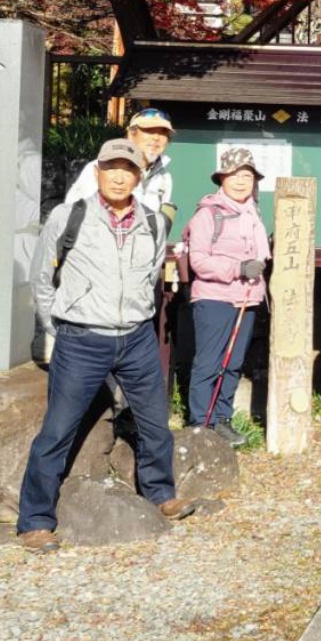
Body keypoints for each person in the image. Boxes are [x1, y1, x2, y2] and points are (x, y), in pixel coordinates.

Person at [17, 139, 196, 552]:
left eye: (127, 169)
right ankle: (35, 520)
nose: (119, 177)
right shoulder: (69, 216)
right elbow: (42, 278)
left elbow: (152, 276)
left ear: (138, 176)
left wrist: (138, 315)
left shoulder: (153, 222)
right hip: (82, 338)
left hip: (136, 337)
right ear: (97, 172)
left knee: (155, 422)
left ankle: (161, 493)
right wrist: (58, 327)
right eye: (111, 168)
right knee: (58, 429)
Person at [182, 146, 270, 444]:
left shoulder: (252, 212)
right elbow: (199, 261)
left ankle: (222, 419)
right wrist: (238, 268)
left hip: (247, 298)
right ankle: (200, 424)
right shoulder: (208, 213)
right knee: (209, 363)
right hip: (213, 298)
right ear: (221, 178)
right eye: (234, 175)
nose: (241, 181)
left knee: (232, 364)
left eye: (247, 176)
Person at [64, 107, 176, 226]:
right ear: (131, 134)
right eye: (149, 131)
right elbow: (71, 216)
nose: (156, 138)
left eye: (163, 132)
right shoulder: (102, 168)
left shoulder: (164, 178)